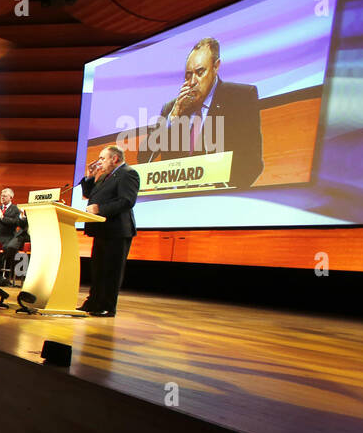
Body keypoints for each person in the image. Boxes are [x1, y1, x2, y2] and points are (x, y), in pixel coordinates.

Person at [147, 37, 263, 190]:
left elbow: (252, 162)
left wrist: (224, 191)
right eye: (188, 75)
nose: (192, 81)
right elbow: (144, 158)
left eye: (200, 72)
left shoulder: (241, 97)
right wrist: (173, 116)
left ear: (216, 67)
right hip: (174, 203)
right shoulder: (172, 108)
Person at [79, 145, 140, 317]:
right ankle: (93, 302)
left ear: (115, 158)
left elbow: (127, 201)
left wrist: (100, 209)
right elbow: (90, 194)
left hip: (118, 230)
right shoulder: (105, 176)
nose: (100, 162)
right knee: (98, 270)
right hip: (102, 229)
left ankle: (107, 306)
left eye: (102, 158)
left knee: (111, 271)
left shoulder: (128, 173)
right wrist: (90, 177)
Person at [0, 188, 28, 278]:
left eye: (4, 196)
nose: (2, 197)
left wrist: (2, 218)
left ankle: (2, 273)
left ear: (11, 197)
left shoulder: (15, 209)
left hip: (8, 236)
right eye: (1, 196)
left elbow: (16, 222)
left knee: (9, 249)